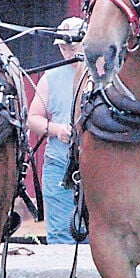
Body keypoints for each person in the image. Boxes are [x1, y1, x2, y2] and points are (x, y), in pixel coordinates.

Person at [28, 17, 85, 244]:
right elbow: (33, 118)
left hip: (95, 165)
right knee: (62, 235)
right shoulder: (50, 77)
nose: (67, 51)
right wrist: (56, 129)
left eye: (71, 46)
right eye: (62, 47)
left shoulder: (101, 74)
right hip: (59, 164)